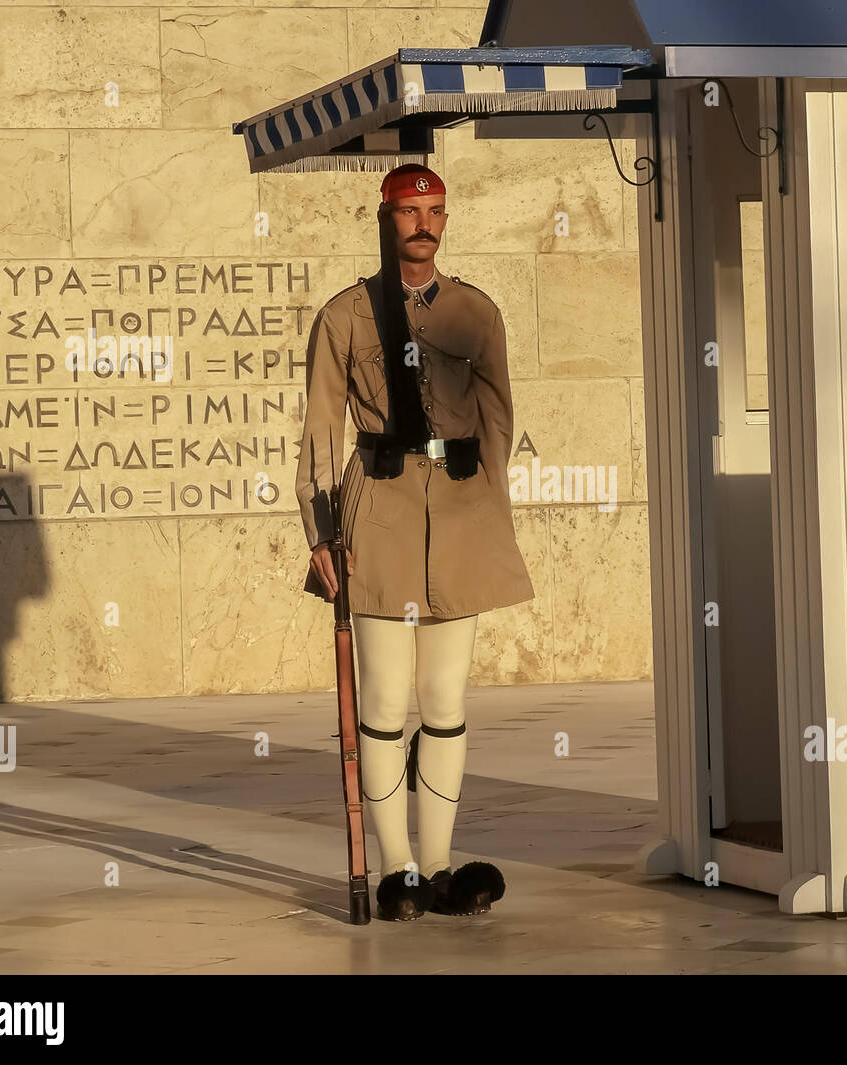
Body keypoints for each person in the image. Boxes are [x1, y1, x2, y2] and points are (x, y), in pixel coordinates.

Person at [294, 163, 534, 920]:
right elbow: (319, 432)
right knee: (386, 697)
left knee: (445, 696)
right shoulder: (346, 317)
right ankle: (394, 865)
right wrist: (322, 531)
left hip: (460, 514)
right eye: (408, 211)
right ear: (384, 218)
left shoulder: (476, 313)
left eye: (434, 211)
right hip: (382, 512)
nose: (423, 224)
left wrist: (494, 518)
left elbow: (497, 421)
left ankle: (438, 865)